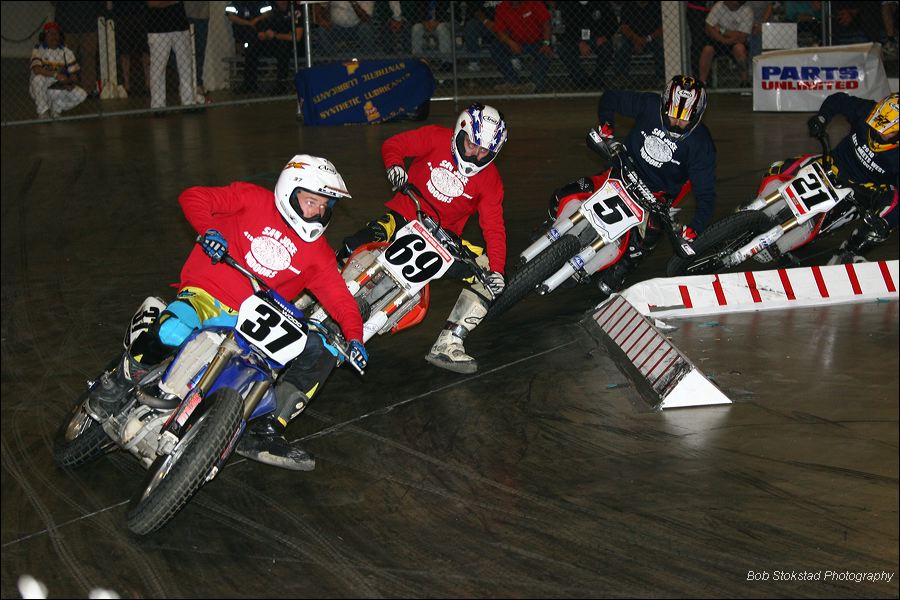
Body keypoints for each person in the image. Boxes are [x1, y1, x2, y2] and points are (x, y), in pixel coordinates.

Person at [88, 156, 368, 471]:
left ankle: (264, 428)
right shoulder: (251, 198)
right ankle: (123, 379)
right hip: (208, 293)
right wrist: (208, 231)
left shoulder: (318, 254)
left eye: (325, 205)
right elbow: (193, 197)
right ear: (290, 191)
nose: (319, 212)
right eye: (311, 201)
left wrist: (355, 338)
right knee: (171, 331)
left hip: (254, 322)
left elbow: (342, 300)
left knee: (323, 351)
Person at [336, 104, 509, 374]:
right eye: (472, 145)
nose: (475, 155)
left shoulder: (491, 180)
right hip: (404, 214)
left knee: (490, 278)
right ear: (460, 132)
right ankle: (316, 292)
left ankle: (449, 341)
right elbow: (394, 144)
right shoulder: (436, 137)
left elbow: (494, 227)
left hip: (445, 239)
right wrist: (395, 166)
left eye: (484, 151)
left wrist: (497, 268)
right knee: (354, 244)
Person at [564, 76, 717, 297]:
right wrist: (607, 124)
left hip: (656, 195)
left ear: (698, 116)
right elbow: (611, 98)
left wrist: (696, 227)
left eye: (684, 120)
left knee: (653, 230)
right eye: (672, 115)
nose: (676, 123)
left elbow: (706, 194)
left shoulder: (702, 144)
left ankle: (624, 267)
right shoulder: (650, 104)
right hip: (623, 169)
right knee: (570, 192)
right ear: (664, 105)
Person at [805, 92, 898, 264]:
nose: (879, 132)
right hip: (832, 164)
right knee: (783, 167)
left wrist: (886, 221)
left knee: (886, 218)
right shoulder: (866, 109)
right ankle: (755, 205)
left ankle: (849, 252)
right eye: (877, 124)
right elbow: (839, 100)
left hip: (861, 192)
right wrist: (822, 118)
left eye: (888, 132)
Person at [239, 0, 303, 94]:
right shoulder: (270, 9)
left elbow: (297, 37)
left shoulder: (296, 9)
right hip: (273, 42)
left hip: (293, 46)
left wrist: (276, 35)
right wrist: (264, 34)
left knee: (283, 47)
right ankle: (249, 84)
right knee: (252, 46)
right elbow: (263, 30)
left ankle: (281, 85)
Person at [489, 0, 552, 93]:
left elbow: (546, 23)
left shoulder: (534, 3)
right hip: (515, 42)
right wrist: (511, 43)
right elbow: (499, 31)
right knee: (496, 47)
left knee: (546, 52)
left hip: (537, 41)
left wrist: (546, 43)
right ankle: (512, 82)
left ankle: (535, 84)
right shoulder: (502, 6)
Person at [29, 22, 88, 119]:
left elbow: (74, 77)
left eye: (56, 33)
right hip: (40, 87)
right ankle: (43, 112)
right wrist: (56, 75)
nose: (54, 36)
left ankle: (56, 108)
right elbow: (36, 69)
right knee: (38, 79)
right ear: (44, 36)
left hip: (57, 87)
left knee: (82, 95)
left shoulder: (67, 52)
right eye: (50, 33)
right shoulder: (38, 49)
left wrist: (69, 83)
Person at [146, 1, 197, 111]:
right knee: (158, 69)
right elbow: (152, 3)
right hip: (158, 28)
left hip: (180, 25)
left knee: (186, 66)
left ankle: (188, 102)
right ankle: (158, 105)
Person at [555, 1, 616, 90]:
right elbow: (564, 29)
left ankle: (596, 77)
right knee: (562, 49)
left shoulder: (602, 3)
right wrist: (579, 42)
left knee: (607, 48)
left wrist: (605, 37)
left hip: (596, 38)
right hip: (574, 39)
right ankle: (581, 79)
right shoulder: (566, 4)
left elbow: (613, 23)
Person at [52, 1, 104, 97]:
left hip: (88, 22)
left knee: (88, 57)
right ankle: (67, 86)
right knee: (66, 58)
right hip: (68, 24)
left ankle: (88, 89)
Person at [698, 0, 753, 87]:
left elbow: (742, 36)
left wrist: (722, 30)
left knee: (740, 49)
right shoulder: (719, 5)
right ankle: (702, 82)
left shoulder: (747, 11)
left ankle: (744, 82)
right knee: (707, 50)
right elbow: (708, 28)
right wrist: (723, 39)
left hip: (735, 42)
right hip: (718, 40)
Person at [614, 1, 664, 85]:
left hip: (651, 39)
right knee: (622, 48)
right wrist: (636, 40)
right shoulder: (628, 5)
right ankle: (621, 78)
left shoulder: (656, 5)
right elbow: (623, 27)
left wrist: (646, 39)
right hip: (631, 39)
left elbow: (662, 27)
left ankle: (661, 77)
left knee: (661, 50)